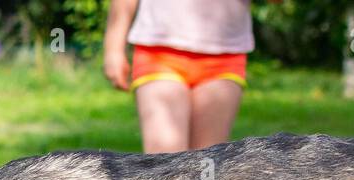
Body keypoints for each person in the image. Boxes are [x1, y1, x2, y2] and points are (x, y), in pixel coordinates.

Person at [103, 0, 261, 153]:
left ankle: (206, 179)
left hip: (225, 56)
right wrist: (113, 48)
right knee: (166, 164)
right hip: (158, 52)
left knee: (208, 163)